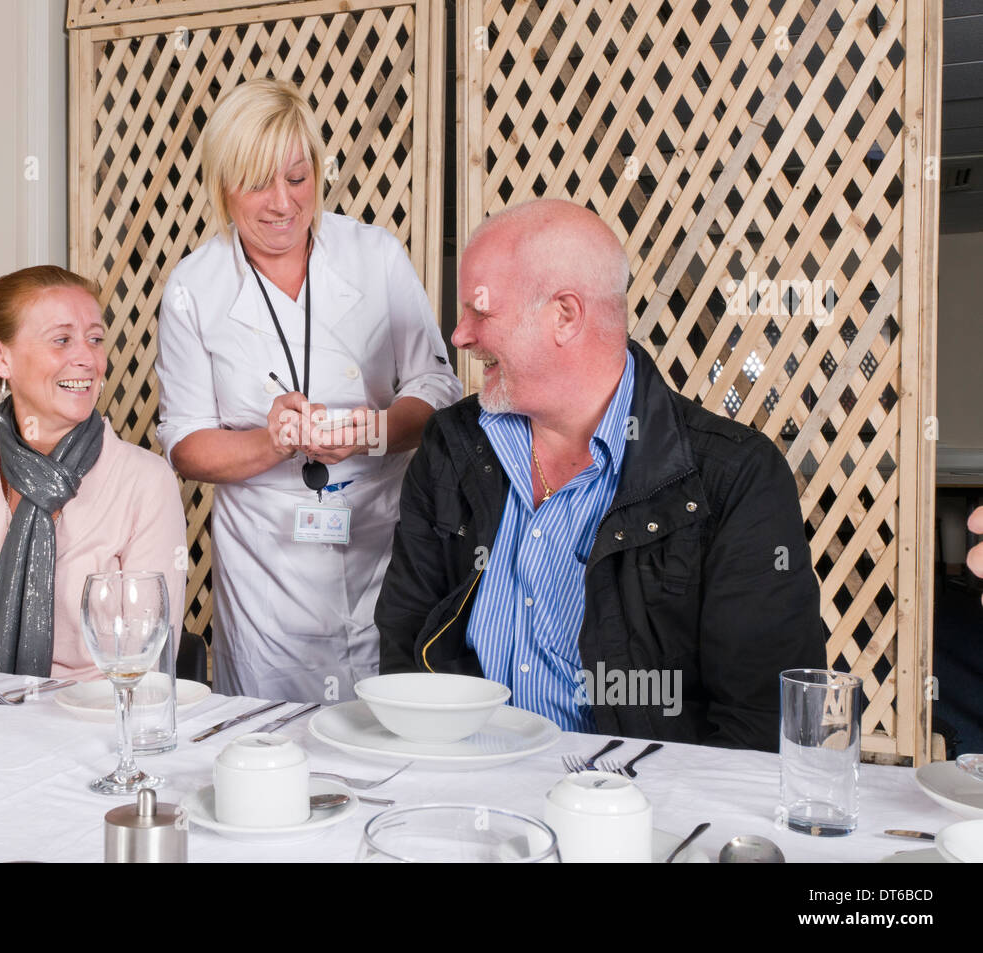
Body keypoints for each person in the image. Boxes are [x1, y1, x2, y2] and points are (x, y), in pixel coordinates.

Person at [375, 199, 827, 751]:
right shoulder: (452, 446)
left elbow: (760, 725)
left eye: (481, 312)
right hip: (462, 787)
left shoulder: (735, 477)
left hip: (638, 811)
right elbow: (405, 646)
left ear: (565, 315)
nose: (459, 335)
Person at [155, 78, 461, 703]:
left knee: (391, 724)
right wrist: (272, 443)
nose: (282, 203)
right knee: (275, 743)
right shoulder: (194, 287)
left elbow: (439, 386)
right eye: (257, 182)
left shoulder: (375, 255)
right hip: (268, 567)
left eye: (298, 178)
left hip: (387, 543)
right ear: (222, 186)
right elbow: (184, 444)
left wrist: (367, 433)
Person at [0, 266, 187, 678]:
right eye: (62, 340)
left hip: (102, 723)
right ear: (1, 356)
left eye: (95, 339)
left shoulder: (145, 482)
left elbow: (146, 662)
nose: (87, 359)